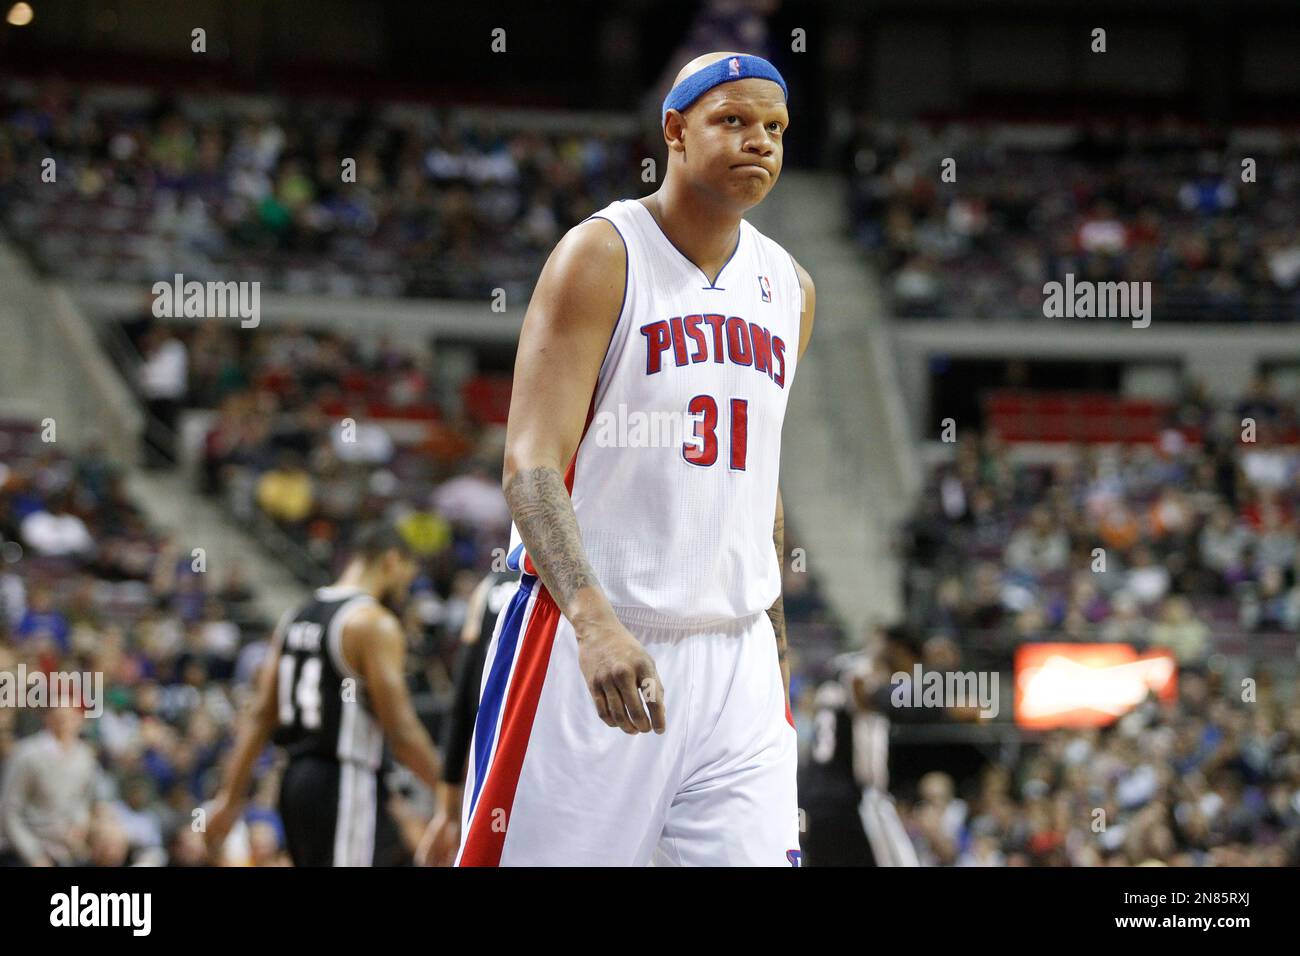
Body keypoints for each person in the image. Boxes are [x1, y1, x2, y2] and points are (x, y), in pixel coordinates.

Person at [457, 51, 815, 866]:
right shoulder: (603, 254)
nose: (758, 141)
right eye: (733, 121)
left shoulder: (791, 287)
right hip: (594, 641)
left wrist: (778, 655)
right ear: (676, 132)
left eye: (775, 128)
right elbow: (530, 461)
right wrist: (592, 621)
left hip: (737, 661)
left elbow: (760, 484)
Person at [204, 523, 443, 866]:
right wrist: (452, 793)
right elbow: (402, 733)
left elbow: (260, 715)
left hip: (295, 784)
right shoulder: (372, 622)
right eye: (406, 580)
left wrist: (230, 796)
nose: (404, 593)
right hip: (345, 779)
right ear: (391, 561)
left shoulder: (295, 617)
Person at [0, 705, 99, 866]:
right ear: (47, 718)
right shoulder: (25, 754)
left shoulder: (85, 756)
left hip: (64, 849)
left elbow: (83, 800)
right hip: (21, 849)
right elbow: (8, 810)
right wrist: (33, 854)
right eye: (60, 717)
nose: (66, 722)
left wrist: (79, 825)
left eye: (71, 716)